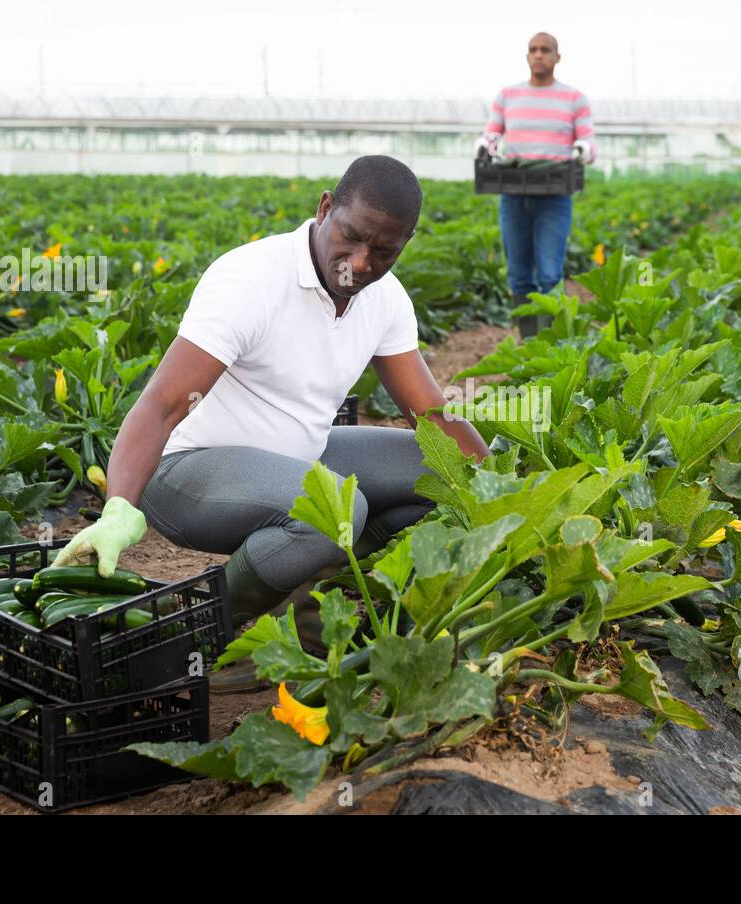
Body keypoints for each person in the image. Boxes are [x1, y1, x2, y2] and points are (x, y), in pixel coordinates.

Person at [52, 155, 491, 688]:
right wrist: (119, 507)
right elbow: (163, 403)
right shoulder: (252, 278)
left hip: (300, 458)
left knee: (444, 473)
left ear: (405, 244)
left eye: (384, 251)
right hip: (189, 471)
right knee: (336, 508)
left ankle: (306, 620)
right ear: (325, 207)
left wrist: (502, 490)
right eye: (350, 237)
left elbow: (431, 415)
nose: (361, 261)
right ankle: (198, 639)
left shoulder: (385, 299)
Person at [478, 32, 596, 339]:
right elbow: (492, 133)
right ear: (527, 56)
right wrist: (485, 146)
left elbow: (587, 139)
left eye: (546, 50)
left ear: (558, 57)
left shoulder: (573, 98)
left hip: (554, 195)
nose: (539, 54)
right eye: (533, 50)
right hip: (514, 194)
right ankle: (529, 342)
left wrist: (583, 150)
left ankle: (550, 343)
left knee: (549, 273)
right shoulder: (508, 96)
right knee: (518, 274)